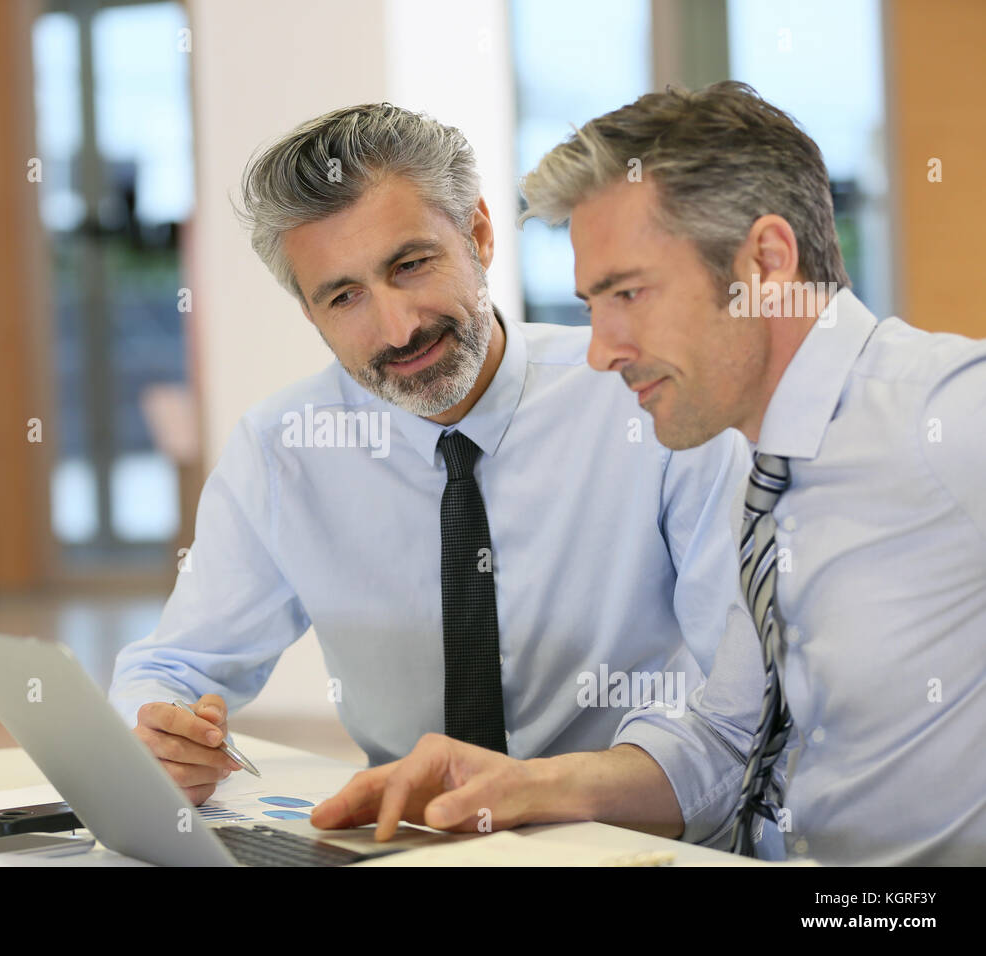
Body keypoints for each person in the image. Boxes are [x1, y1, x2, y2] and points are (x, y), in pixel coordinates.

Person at [312, 82, 986, 865]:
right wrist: (523, 786)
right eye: (594, 304)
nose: (601, 352)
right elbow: (726, 734)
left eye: (629, 292)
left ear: (767, 261)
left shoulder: (942, 413)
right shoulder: (760, 468)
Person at [108, 103, 755, 809]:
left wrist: (538, 792)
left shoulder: (647, 402)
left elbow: (734, 705)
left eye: (411, 265)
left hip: (626, 837)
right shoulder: (283, 449)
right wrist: (162, 736)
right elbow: (174, 663)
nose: (398, 327)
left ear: (479, 233)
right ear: (311, 314)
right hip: (414, 842)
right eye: (344, 296)